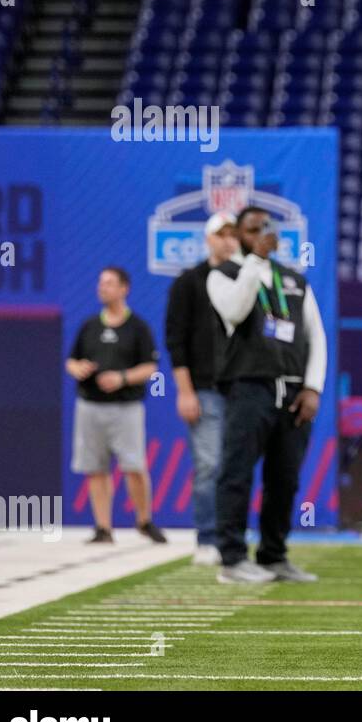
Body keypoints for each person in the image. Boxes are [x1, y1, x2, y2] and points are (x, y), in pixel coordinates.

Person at [207, 206, 326, 584]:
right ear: (241, 236)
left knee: (285, 478)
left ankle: (274, 555)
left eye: (265, 228)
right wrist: (254, 260)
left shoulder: (294, 280)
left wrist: (312, 387)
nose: (260, 233)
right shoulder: (222, 275)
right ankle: (232, 558)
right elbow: (235, 310)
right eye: (252, 229)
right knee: (236, 473)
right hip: (250, 387)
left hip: (292, 391)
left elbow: (316, 336)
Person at [64, 266, 166, 544]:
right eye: (100, 282)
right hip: (90, 405)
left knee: (134, 466)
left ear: (124, 288)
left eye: (109, 283)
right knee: (95, 467)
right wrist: (78, 369)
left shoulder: (138, 327)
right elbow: (71, 360)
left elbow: (150, 367)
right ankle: (103, 527)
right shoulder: (89, 325)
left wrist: (122, 377)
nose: (102, 288)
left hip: (126, 407)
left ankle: (144, 520)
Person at [165, 212, 237, 565]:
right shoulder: (189, 282)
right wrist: (184, 390)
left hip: (240, 390)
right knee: (209, 465)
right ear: (208, 239)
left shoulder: (246, 279)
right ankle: (207, 538)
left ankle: (231, 538)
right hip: (205, 389)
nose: (227, 240)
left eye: (231, 234)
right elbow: (175, 340)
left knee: (234, 468)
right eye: (220, 234)